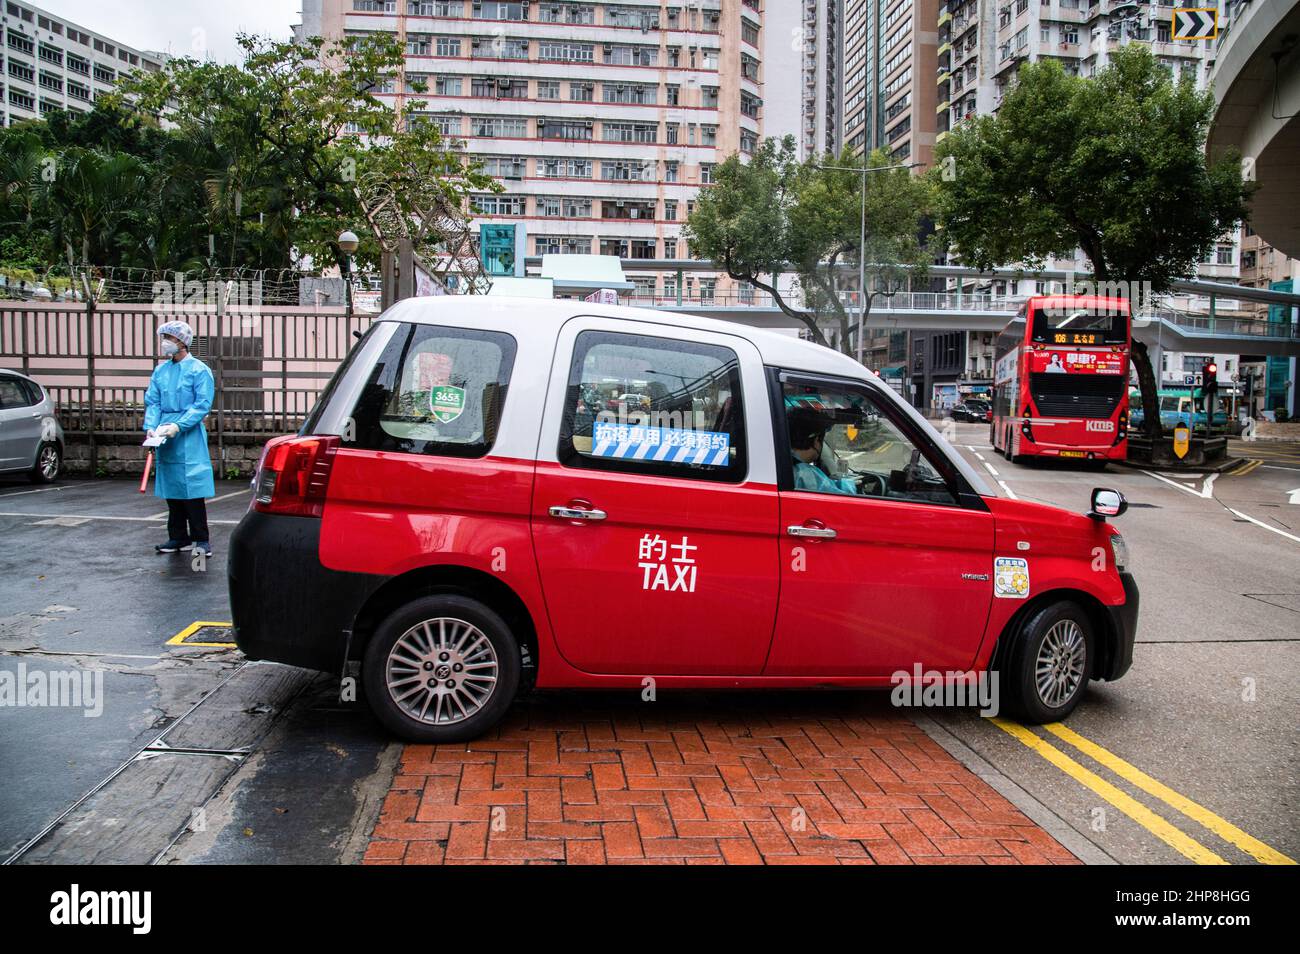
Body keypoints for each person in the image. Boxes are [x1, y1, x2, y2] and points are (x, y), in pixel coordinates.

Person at [144, 320, 216, 555]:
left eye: (170, 338)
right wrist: (152, 427)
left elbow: (202, 405)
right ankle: (177, 537)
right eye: (164, 337)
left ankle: (201, 539)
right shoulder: (161, 371)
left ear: (182, 341)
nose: (165, 343)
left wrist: (178, 425)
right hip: (164, 435)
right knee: (172, 490)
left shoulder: (199, 370)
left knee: (192, 490)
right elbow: (153, 401)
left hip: (188, 435)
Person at [787, 406, 858, 495]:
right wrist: (852, 484)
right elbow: (843, 496)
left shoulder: (781, 463)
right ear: (816, 440)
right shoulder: (806, 473)